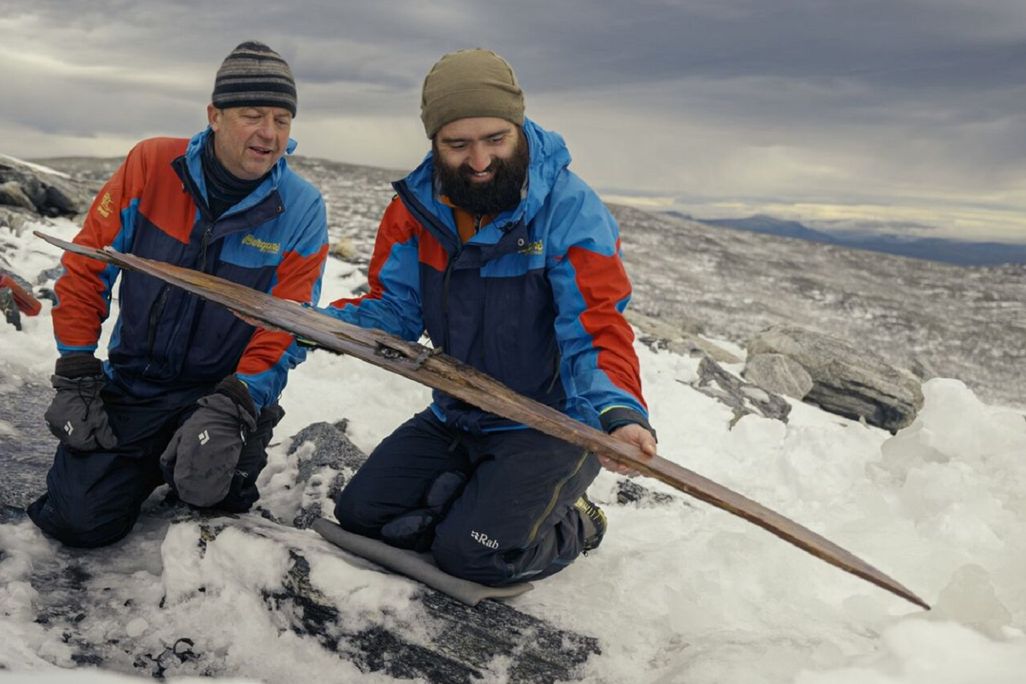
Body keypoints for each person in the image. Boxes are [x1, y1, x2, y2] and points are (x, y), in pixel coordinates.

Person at [325, 48, 656, 585]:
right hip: (460, 414)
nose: (479, 161)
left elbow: (596, 323)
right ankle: (478, 495)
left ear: (519, 129)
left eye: (495, 140)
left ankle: (578, 524)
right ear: (434, 144)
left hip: (553, 426)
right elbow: (396, 310)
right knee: (363, 516)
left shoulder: (569, 210)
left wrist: (618, 411)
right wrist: (320, 325)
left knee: (473, 558)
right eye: (458, 145)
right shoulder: (417, 211)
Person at [28, 41, 329, 548]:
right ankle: (149, 455)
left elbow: (290, 323)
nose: (269, 134)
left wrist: (238, 400)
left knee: (212, 499)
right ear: (214, 115)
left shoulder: (299, 207)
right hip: (136, 383)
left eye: (282, 120)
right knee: (77, 520)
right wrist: (76, 373)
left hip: (220, 392)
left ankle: (234, 438)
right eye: (252, 115)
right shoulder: (151, 165)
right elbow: (87, 266)